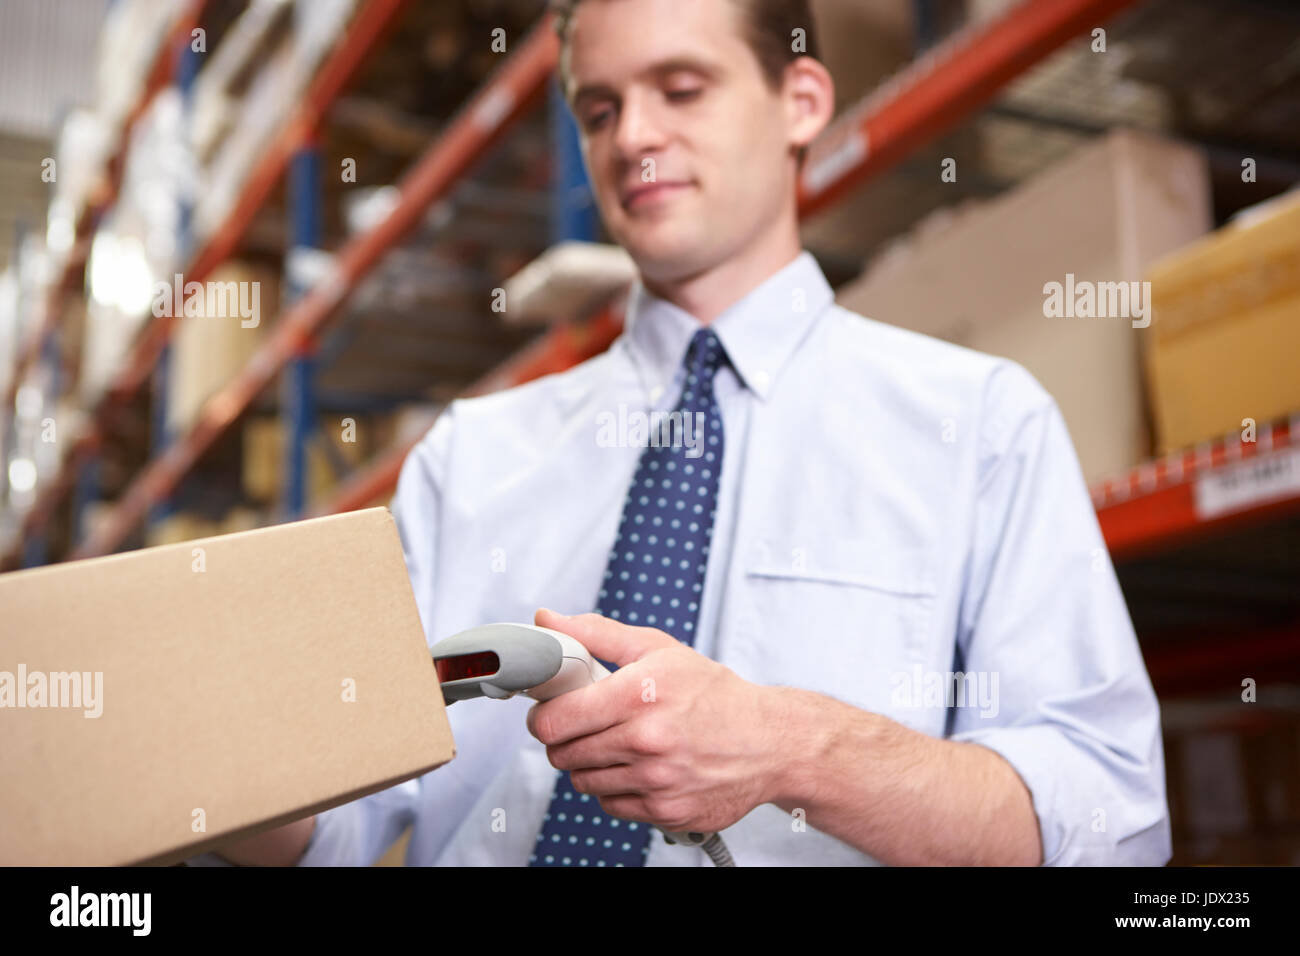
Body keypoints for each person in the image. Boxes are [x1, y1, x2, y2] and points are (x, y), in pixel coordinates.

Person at [199, 0, 1169, 867]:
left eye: (682, 87)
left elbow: (1109, 821)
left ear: (801, 100)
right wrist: (223, 760)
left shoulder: (979, 426)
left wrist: (791, 743)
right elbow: (334, 830)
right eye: (599, 109)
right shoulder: (470, 458)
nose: (636, 138)